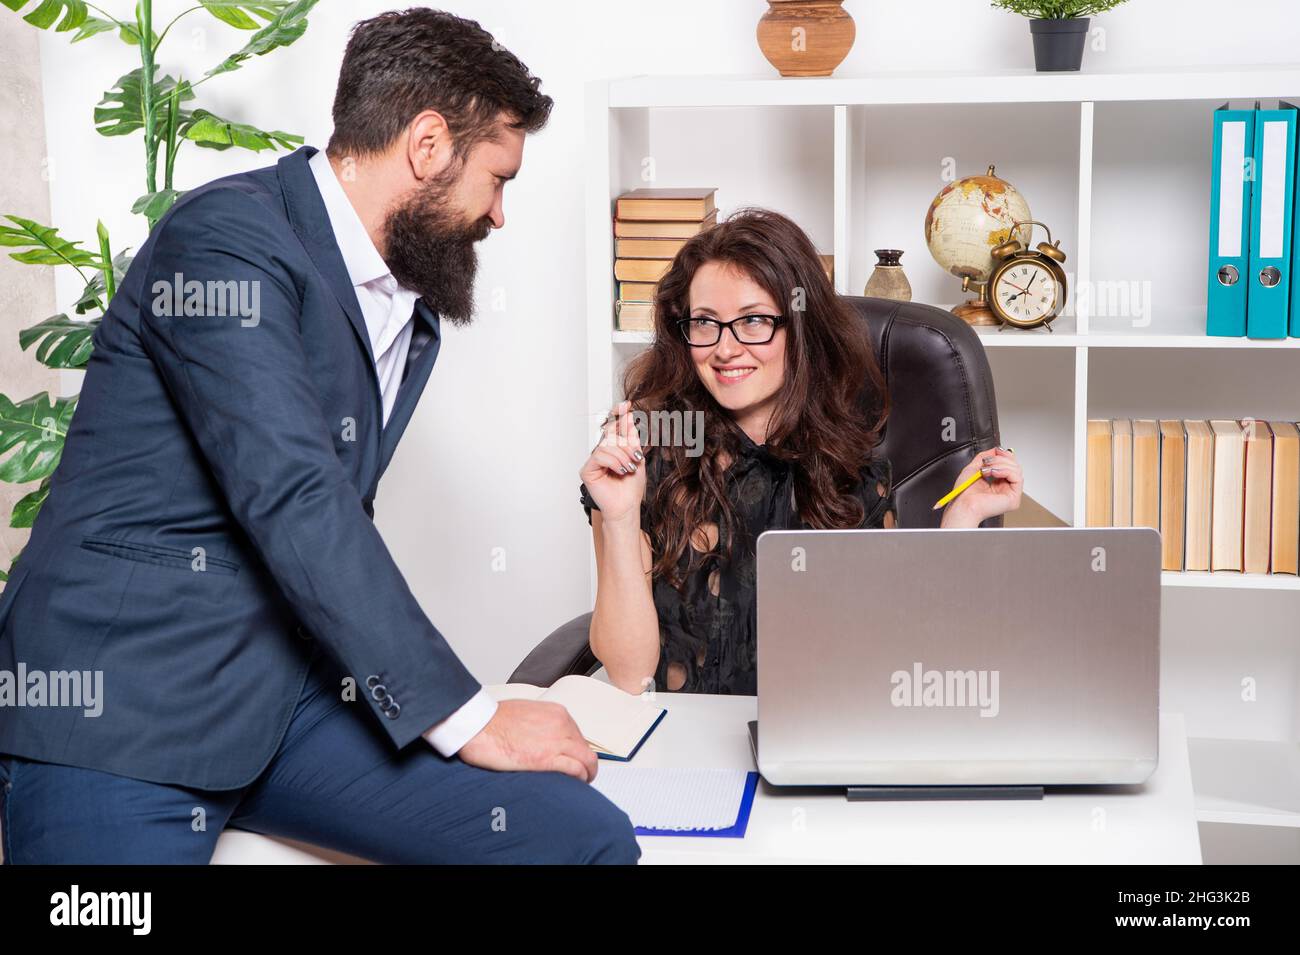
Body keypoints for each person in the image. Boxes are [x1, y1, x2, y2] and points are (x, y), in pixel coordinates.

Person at [0, 8, 638, 865]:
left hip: (282, 704)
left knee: (581, 838)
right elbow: (294, 493)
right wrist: (474, 715)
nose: (498, 216)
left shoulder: (407, 314)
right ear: (427, 144)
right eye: (497, 179)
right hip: (121, 709)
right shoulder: (223, 241)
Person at [579, 208, 1023, 696]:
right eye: (705, 323)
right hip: (684, 744)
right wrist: (620, 518)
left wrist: (962, 517)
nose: (725, 349)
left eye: (753, 321)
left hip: (821, 741)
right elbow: (629, 676)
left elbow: (901, 650)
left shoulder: (849, 458)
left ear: (800, 328)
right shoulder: (647, 449)